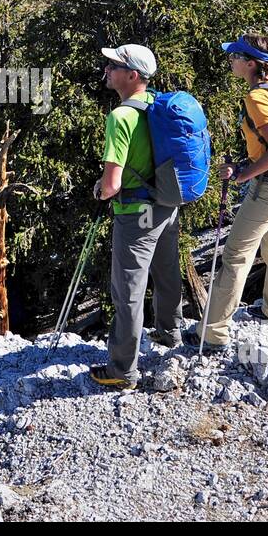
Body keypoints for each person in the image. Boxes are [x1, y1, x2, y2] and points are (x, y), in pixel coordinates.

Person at [186, 32, 268, 352]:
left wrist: (241, 174)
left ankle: (212, 332)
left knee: (236, 254)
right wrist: (246, 163)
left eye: (235, 56)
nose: (231, 61)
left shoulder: (256, 98)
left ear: (250, 63)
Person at [88, 44, 183, 390]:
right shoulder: (157, 104)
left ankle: (122, 369)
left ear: (132, 75)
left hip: (136, 213)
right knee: (167, 271)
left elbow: (112, 184)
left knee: (128, 289)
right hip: (166, 204)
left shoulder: (120, 117)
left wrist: (99, 189)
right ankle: (170, 333)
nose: (107, 70)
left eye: (113, 65)